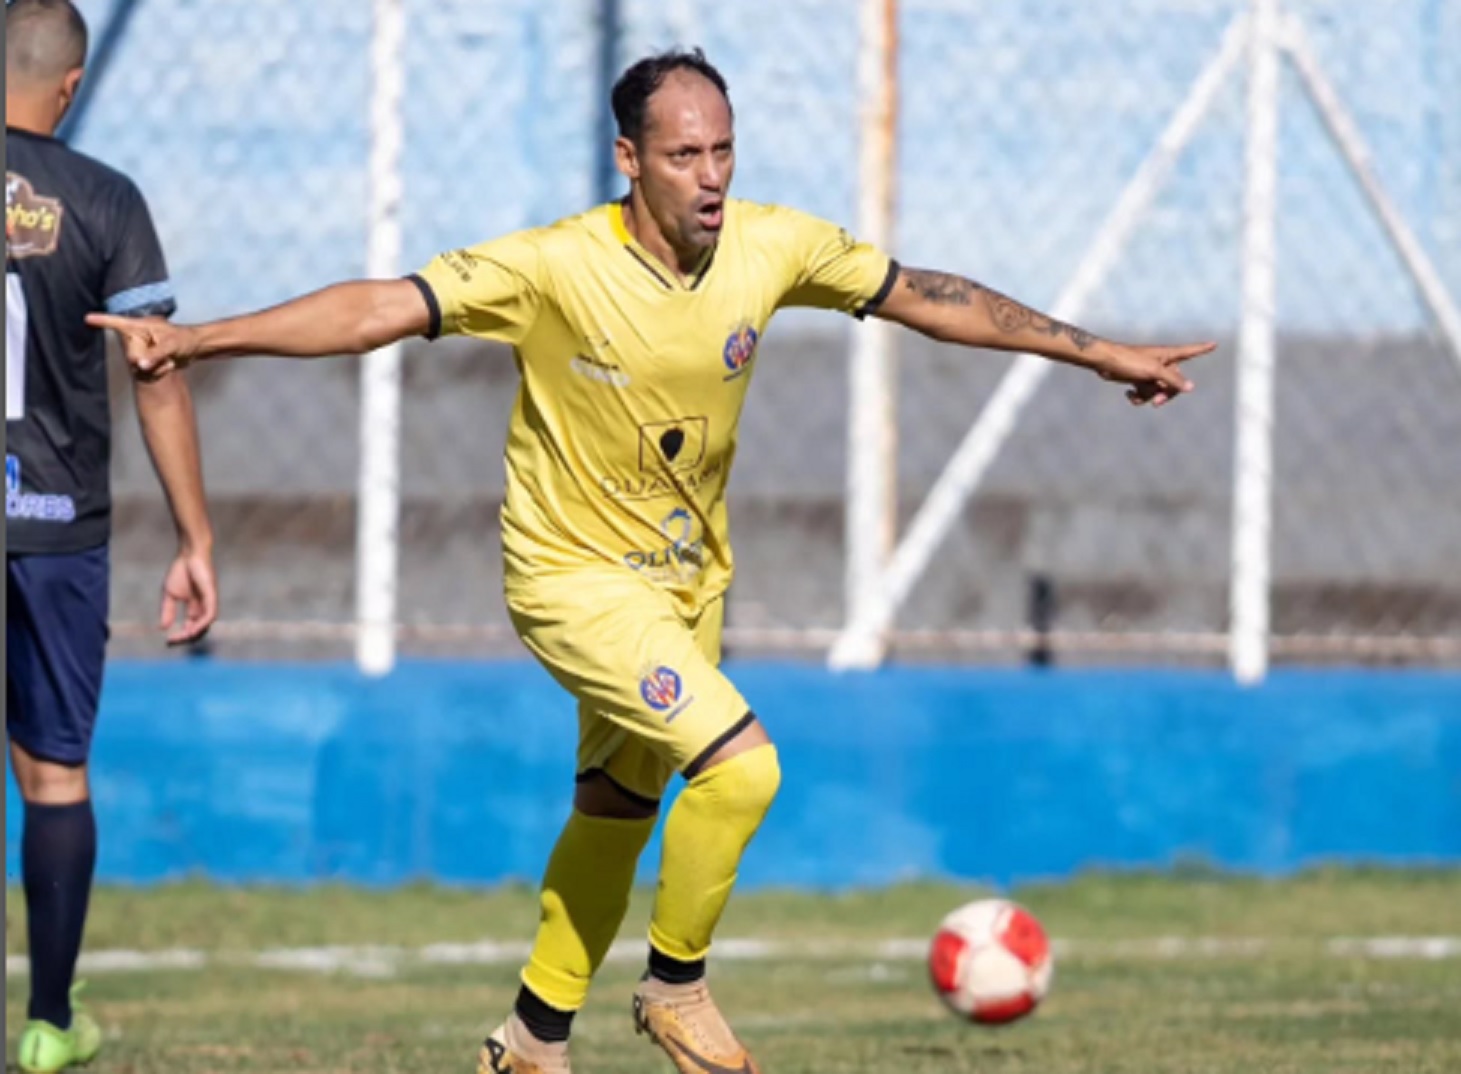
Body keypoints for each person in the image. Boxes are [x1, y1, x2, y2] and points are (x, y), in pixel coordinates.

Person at [92, 48, 1213, 1074]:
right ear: (630, 160)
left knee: (619, 808)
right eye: (684, 154)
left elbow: (929, 297)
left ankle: (530, 1040)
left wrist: (1098, 350)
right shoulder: (553, 268)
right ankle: (676, 987)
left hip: (685, 583)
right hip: (568, 580)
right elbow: (382, 307)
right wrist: (199, 336)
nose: (711, 175)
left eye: (724, 149)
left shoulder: (771, 246)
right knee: (743, 768)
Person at [6, 3, 220, 1071]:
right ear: (72, 85)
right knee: (52, 777)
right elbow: (156, 369)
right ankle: (48, 1025)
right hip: (54, 527)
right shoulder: (102, 199)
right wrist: (195, 536)